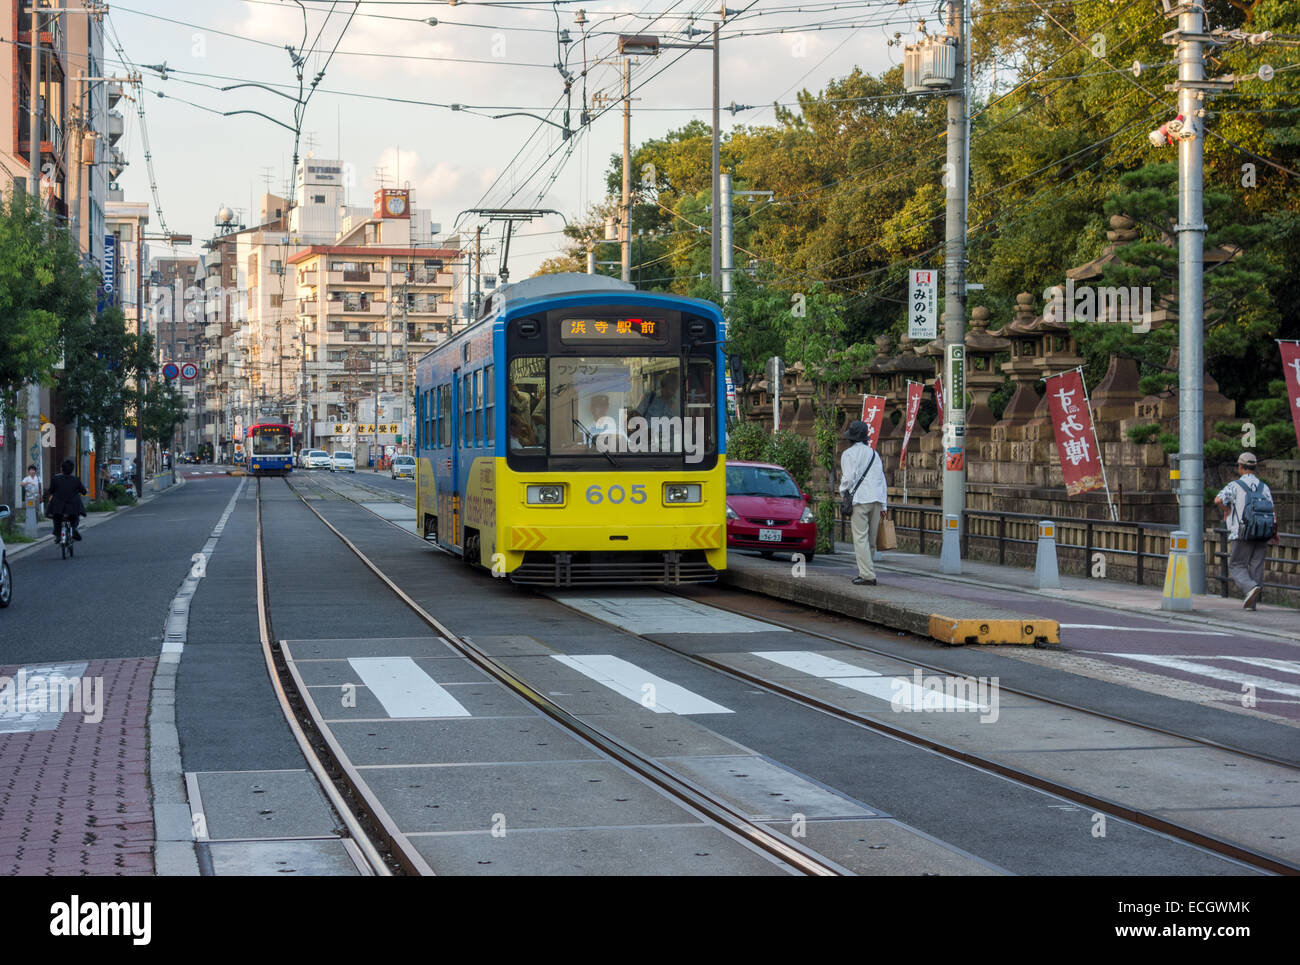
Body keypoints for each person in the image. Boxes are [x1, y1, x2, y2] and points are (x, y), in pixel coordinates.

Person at [1214, 452, 1278, 609]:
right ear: (1255, 467)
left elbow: (1218, 499)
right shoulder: (1265, 487)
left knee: (1236, 565)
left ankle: (1250, 588)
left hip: (1241, 532)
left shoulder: (1235, 486)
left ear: (1240, 467)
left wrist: (1226, 510)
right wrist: (1275, 533)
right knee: (1256, 566)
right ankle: (1252, 604)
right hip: (1263, 532)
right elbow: (1272, 511)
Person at [839, 420, 887, 586]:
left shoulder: (848, 454)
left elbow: (849, 478)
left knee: (860, 538)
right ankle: (868, 570)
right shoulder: (874, 454)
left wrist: (842, 491)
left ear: (851, 438)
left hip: (859, 499)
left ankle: (867, 575)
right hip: (877, 499)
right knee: (871, 539)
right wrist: (885, 504)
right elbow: (882, 479)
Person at [44, 459, 88, 543]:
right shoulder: (76, 480)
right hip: (72, 507)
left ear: (61, 469)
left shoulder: (55, 479)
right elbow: (83, 491)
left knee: (56, 519)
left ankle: (57, 535)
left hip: (58, 507)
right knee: (75, 518)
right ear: (72, 470)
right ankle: (74, 528)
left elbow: (51, 491)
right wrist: (83, 491)